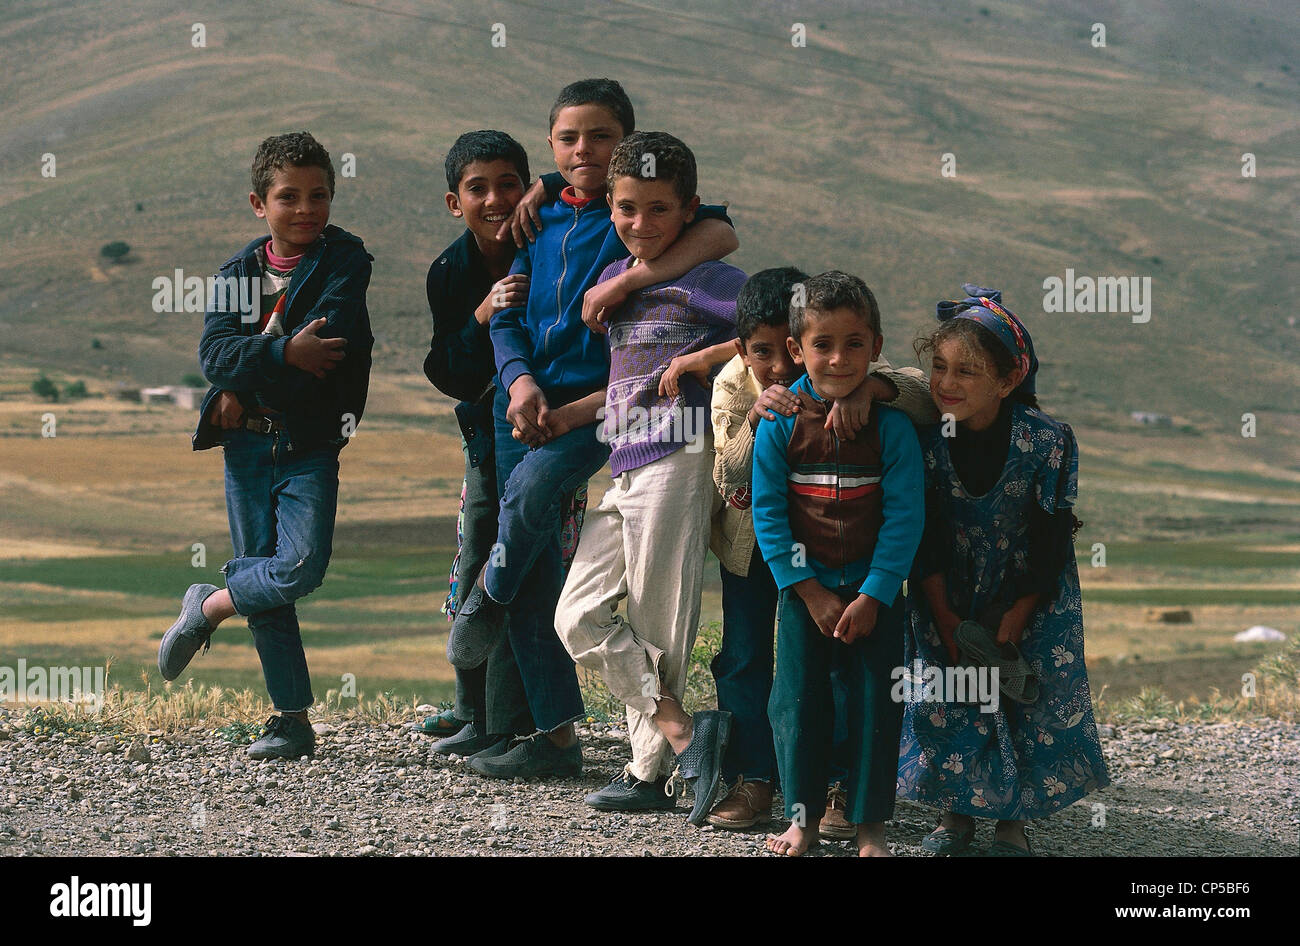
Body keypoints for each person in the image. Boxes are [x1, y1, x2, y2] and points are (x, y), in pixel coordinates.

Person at [447, 78, 738, 781]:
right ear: (550, 145)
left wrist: (626, 286)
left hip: (623, 425)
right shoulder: (539, 220)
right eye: (569, 139)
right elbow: (511, 316)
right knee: (549, 573)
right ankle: (556, 734)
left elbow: (721, 234)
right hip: (549, 410)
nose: (585, 150)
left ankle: (490, 593)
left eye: (602, 137)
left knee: (536, 520)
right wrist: (518, 381)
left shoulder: (641, 226)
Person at [158, 132, 373, 760]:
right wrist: (282, 352)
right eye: (289, 197)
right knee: (263, 571)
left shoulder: (345, 261)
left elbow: (330, 350)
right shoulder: (237, 274)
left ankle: (209, 605)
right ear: (260, 203)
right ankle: (290, 720)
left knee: (300, 567)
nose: (306, 209)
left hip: (307, 443)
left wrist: (247, 379)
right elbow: (214, 355)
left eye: (319, 195)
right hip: (247, 450)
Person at [554, 131, 745, 824]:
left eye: (659, 209)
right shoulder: (617, 279)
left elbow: (778, 331)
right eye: (627, 208)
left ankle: (648, 775)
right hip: (625, 461)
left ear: (688, 210)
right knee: (575, 615)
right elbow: (624, 385)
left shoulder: (710, 279)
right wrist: (565, 414)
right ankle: (684, 733)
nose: (641, 224)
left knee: (659, 618)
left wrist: (705, 361)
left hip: (682, 454)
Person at [706, 267, 937, 833]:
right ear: (795, 347)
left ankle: (867, 828)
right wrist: (806, 591)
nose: (837, 360)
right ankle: (797, 818)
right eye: (821, 346)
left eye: (853, 345)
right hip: (801, 593)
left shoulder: (891, 425)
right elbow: (765, 510)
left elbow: (906, 517)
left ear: (874, 348)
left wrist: (876, 593)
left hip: (872, 596)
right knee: (795, 703)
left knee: (874, 706)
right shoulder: (773, 417)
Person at [897, 285, 1110, 856]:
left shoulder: (1047, 441)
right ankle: (954, 817)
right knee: (949, 692)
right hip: (947, 585)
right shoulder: (926, 440)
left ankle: (1013, 825)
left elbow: (1050, 537)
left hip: (1032, 592)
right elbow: (926, 532)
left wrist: (1015, 618)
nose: (946, 383)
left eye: (966, 372)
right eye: (938, 367)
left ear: (1008, 378)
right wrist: (944, 616)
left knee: (1020, 694)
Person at [421, 130, 590, 759]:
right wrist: (482, 316)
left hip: (552, 440)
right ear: (453, 202)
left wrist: (549, 183)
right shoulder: (451, 271)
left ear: (529, 189)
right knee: (477, 571)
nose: (494, 200)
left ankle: (525, 726)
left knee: (524, 570)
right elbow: (448, 372)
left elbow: (582, 172)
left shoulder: (555, 239)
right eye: (477, 188)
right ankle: (479, 717)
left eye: (509, 184)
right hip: (487, 450)